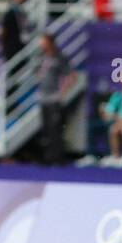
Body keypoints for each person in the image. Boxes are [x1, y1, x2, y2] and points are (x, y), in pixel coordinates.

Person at [36, 32, 75, 165]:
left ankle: (58, 157)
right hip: (43, 97)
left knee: (55, 129)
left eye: (43, 42)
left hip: (54, 98)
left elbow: (71, 75)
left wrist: (62, 92)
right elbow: (38, 73)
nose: (41, 44)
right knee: (45, 129)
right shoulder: (41, 57)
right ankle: (47, 157)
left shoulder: (59, 57)